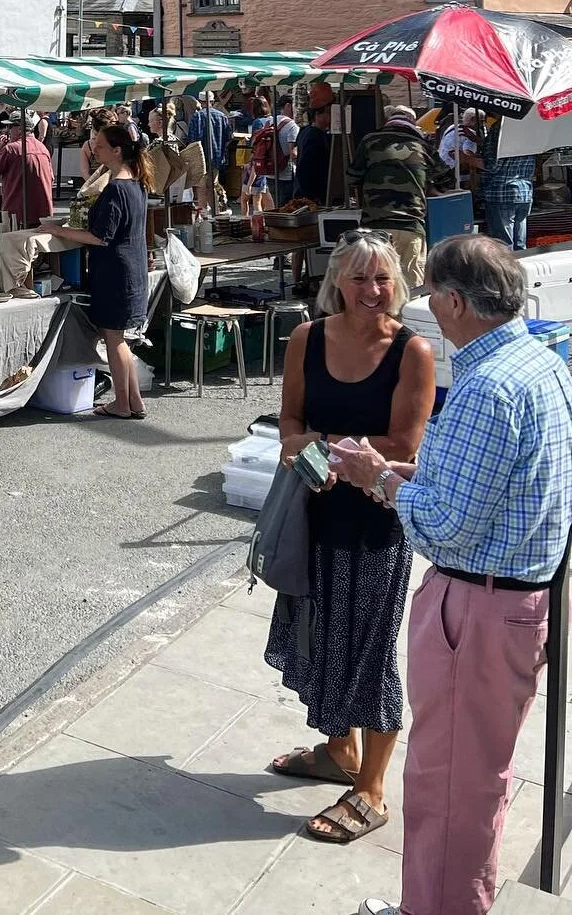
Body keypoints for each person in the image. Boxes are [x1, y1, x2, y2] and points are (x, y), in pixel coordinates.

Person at [335, 236, 572, 915]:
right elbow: (502, 485)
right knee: (475, 781)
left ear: (458, 301)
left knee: (447, 785)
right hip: (513, 600)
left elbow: (445, 528)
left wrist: (379, 479)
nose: (424, 303)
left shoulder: (486, 387)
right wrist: (417, 477)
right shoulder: (538, 361)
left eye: (432, 291)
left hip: (477, 606)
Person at [261, 232, 435, 846]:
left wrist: (326, 449)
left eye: (382, 278)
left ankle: (373, 789)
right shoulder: (307, 338)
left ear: (399, 283)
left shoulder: (411, 351)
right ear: (337, 281)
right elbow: (289, 419)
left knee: (368, 652)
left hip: (373, 524)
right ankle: (339, 752)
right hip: (312, 517)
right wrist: (296, 446)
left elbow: (405, 446)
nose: (372, 290)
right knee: (318, 641)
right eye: (359, 278)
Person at [45, 122, 151, 417]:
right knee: (120, 339)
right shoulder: (137, 183)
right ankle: (133, 401)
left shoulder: (116, 188)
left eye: (101, 146)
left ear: (117, 151)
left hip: (116, 273)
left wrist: (60, 230)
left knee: (114, 339)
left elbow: (99, 236)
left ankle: (121, 403)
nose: (95, 150)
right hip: (131, 270)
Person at [346, 104, 455, 287]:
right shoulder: (422, 145)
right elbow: (447, 180)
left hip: (375, 225)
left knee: (376, 281)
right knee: (411, 285)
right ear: (412, 123)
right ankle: (408, 316)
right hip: (411, 225)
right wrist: (426, 185)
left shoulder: (369, 141)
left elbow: (352, 177)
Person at [291, 83, 336, 294]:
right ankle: (307, 280)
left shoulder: (306, 132)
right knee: (308, 241)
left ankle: (302, 279)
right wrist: (313, 197)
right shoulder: (314, 137)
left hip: (305, 193)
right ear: (322, 113)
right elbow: (306, 169)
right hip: (309, 196)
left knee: (304, 242)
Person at [478, 116, 535, 251]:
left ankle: (506, 271)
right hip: (524, 191)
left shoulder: (500, 128)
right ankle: (521, 269)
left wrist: (465, 158)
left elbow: (492, 165)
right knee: (520, 244)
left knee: (504, 246)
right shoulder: (529, 129)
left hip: (502, 191)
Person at [0, 117, 53, 231]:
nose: (7, 130)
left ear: (19, 128)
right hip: (43, 213)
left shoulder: (11, 149)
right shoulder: (43, 148)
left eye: (10, 127)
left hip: (17, 212)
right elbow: (51, 178)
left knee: (15, 246)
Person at [186, 92, 232, 209]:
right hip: (217, 157)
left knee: (201, 188)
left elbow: (192, 139)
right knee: (212, 185)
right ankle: (215, 213)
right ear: (212, 101)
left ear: (200, 102)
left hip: (200, 157)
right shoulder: (222, 116)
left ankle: (203, 213)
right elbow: (229, 137)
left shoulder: (197, 116)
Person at [438, 107, 480, 172]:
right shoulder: (469, 133)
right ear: (473, 119)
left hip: (443, 165)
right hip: (456, 169)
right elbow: (468, 153)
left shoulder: (452, 127)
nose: (483, 123)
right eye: (481, 121)